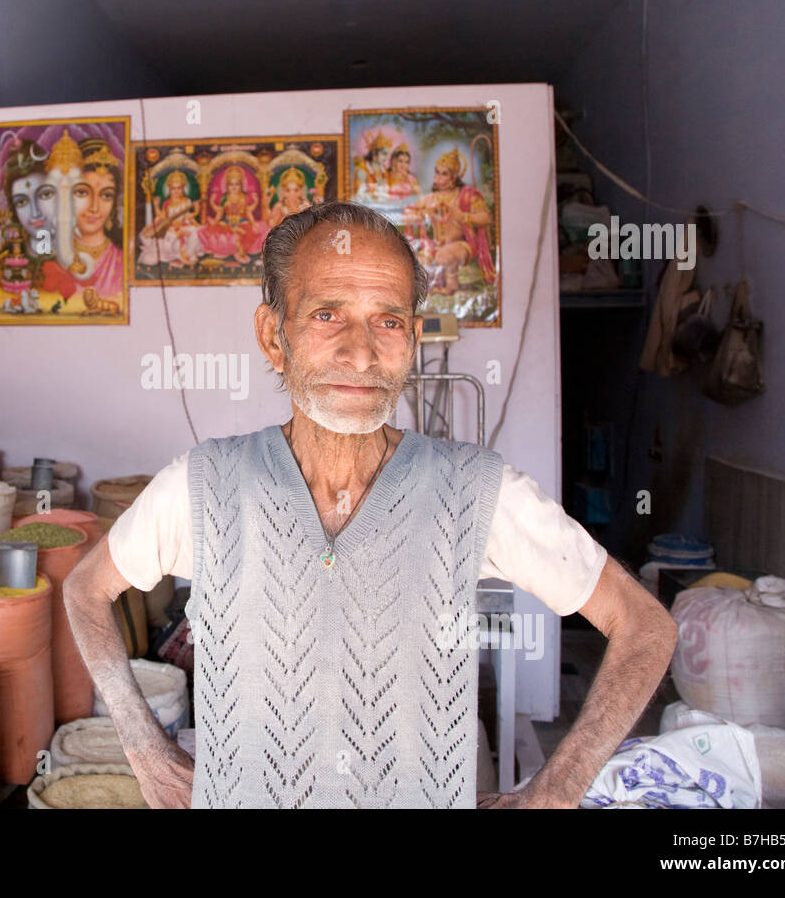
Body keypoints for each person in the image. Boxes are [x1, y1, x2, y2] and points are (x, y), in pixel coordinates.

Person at [64, 200, 677, 809]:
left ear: (411, 339)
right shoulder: (204, 484)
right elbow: (85, 590)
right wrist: (144, 747)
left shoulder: (477, 492)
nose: (361, 354)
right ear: (273, 336)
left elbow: (644, 626)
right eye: (328, 314)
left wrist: (555, 790)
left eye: (387, 321)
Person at [38, 135, 126, 305]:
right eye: (83, 193)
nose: (94, 207)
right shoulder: (51, 255)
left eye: (106, 196)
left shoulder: (123, 262)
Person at [405, 148, 496, 293]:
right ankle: (428, 289)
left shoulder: (465, 196)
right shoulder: (429, 199)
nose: (439, 177)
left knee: (444, 256)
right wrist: (423, 214)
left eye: (444, 173)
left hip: (462, 245)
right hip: (434, 246)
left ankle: (451, 286)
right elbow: (407, 215)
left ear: (454, 177)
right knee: (417, 261)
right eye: (437, 172)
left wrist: (463, 216)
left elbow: (486, 217)